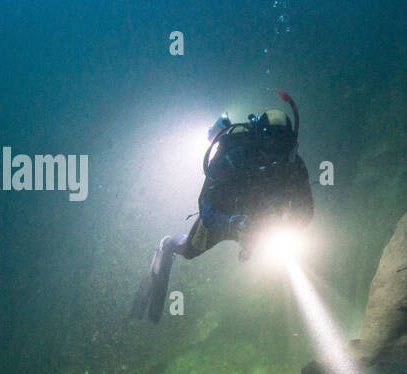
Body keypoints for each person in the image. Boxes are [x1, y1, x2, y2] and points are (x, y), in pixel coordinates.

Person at [131, 92, 313, 323]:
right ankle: (167, 245)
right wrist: (232, 222)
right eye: (270, 145)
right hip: (222, 219)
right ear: (259, 140)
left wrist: (286, 226)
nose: (274, 155)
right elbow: (206, 210)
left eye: (281, 146)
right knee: (188, 251)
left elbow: (306, 211)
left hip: (262, 226)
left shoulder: (293, 164)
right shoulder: (233, 157)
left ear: (290, 144)